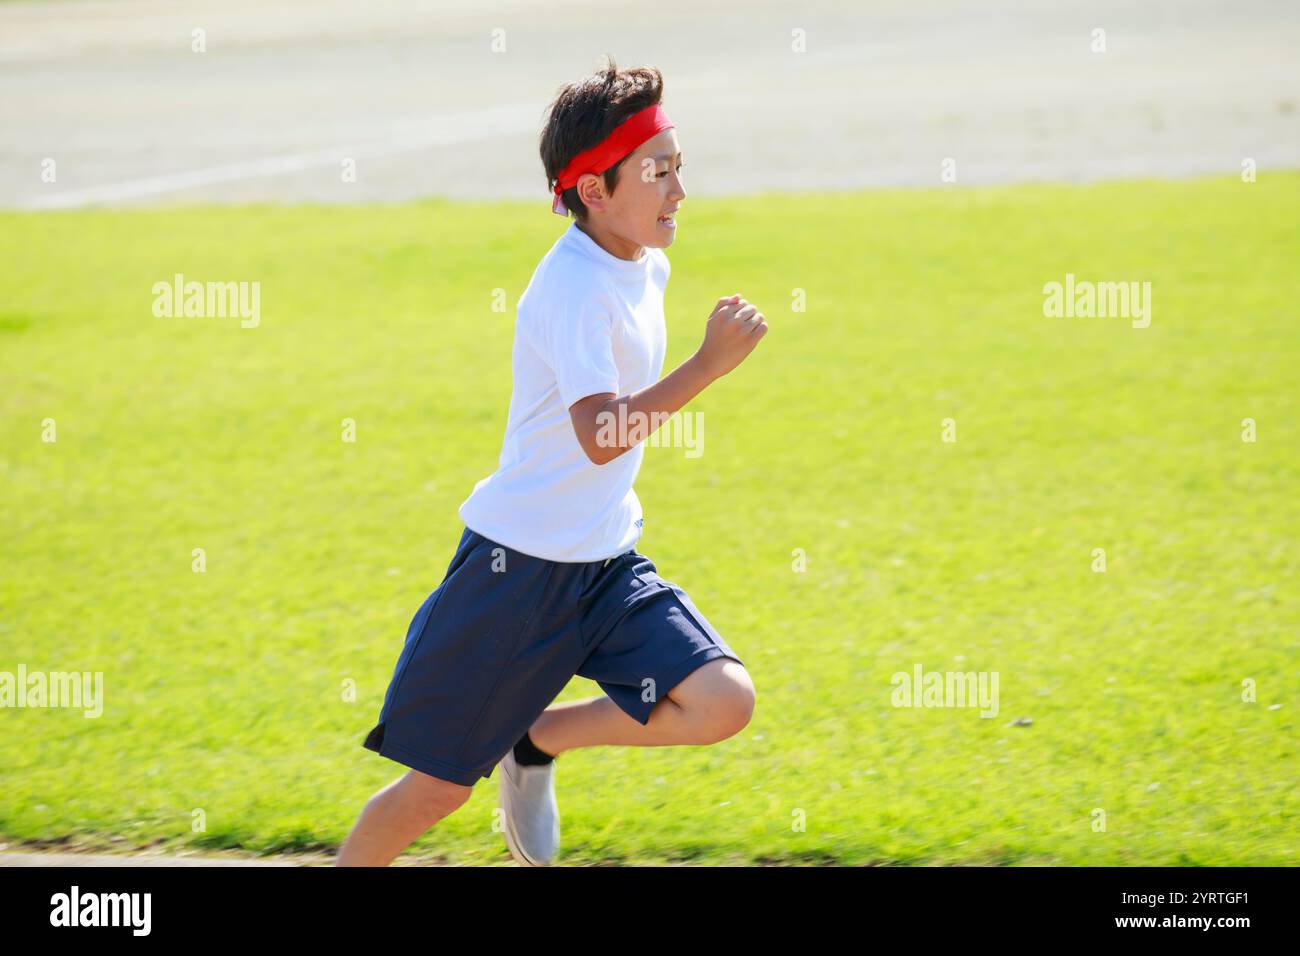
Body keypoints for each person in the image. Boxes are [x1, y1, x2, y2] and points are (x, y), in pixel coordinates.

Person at [336, 58, 767, 867]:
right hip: (516, 572)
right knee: (436, 790)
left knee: (721, 702)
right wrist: (707, 366)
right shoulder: (570, 287)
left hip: (602, 562)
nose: (679, 191)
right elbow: (600, 433)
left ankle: (535, 739)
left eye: (679, 168)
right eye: (657, 172)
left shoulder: (645, 262)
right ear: (594, 191)